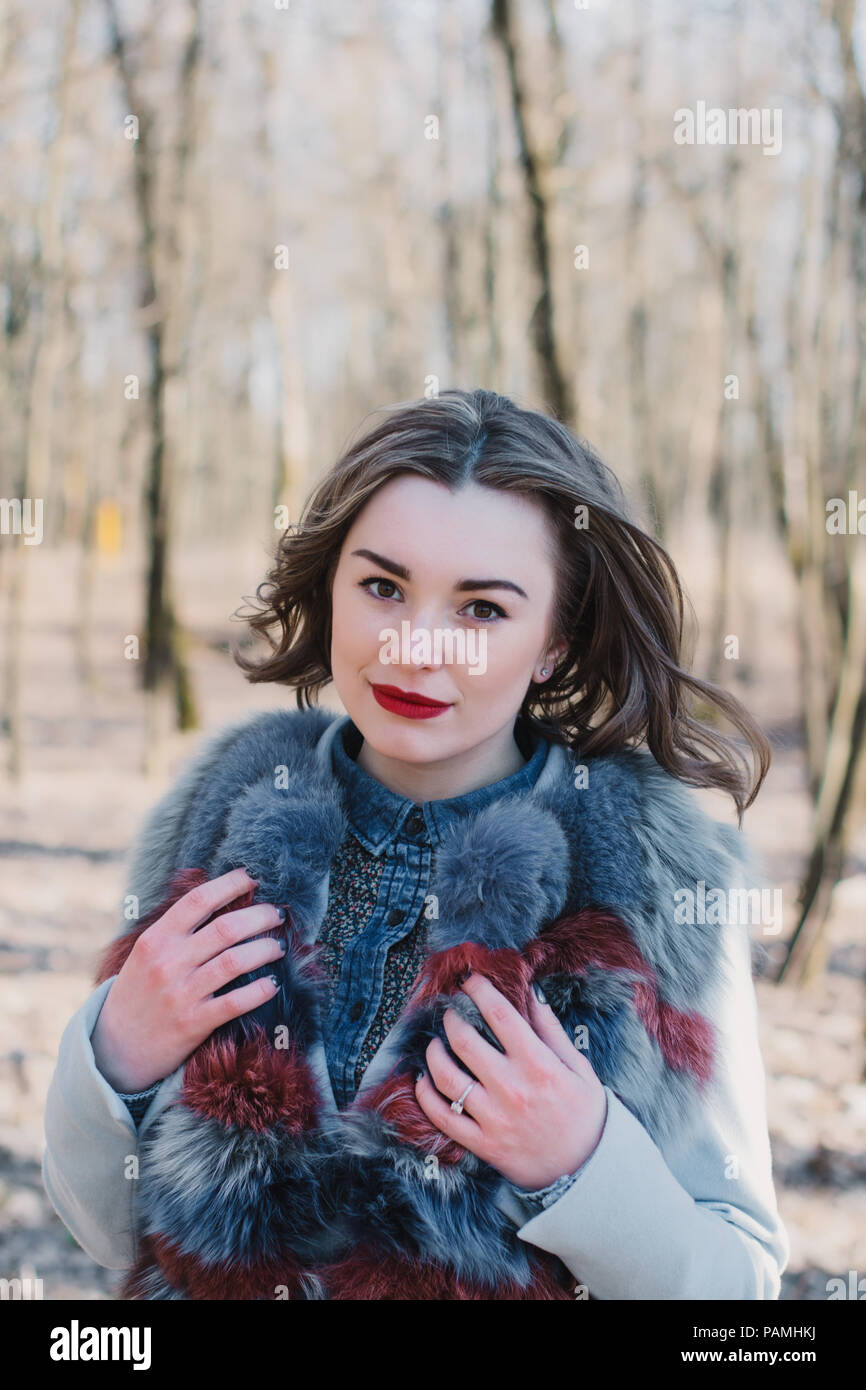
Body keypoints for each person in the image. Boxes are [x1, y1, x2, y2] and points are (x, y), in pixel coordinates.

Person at [42, 387, 789, 1299]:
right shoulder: (226, 812)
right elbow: (101, 1227)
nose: (415, 647)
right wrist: (112, 1053)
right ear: (331, 587)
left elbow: (736, 1289)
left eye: (481, 610)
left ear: (553, 642)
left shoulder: (657, 874)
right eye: (383, 587)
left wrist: (583, 1161)